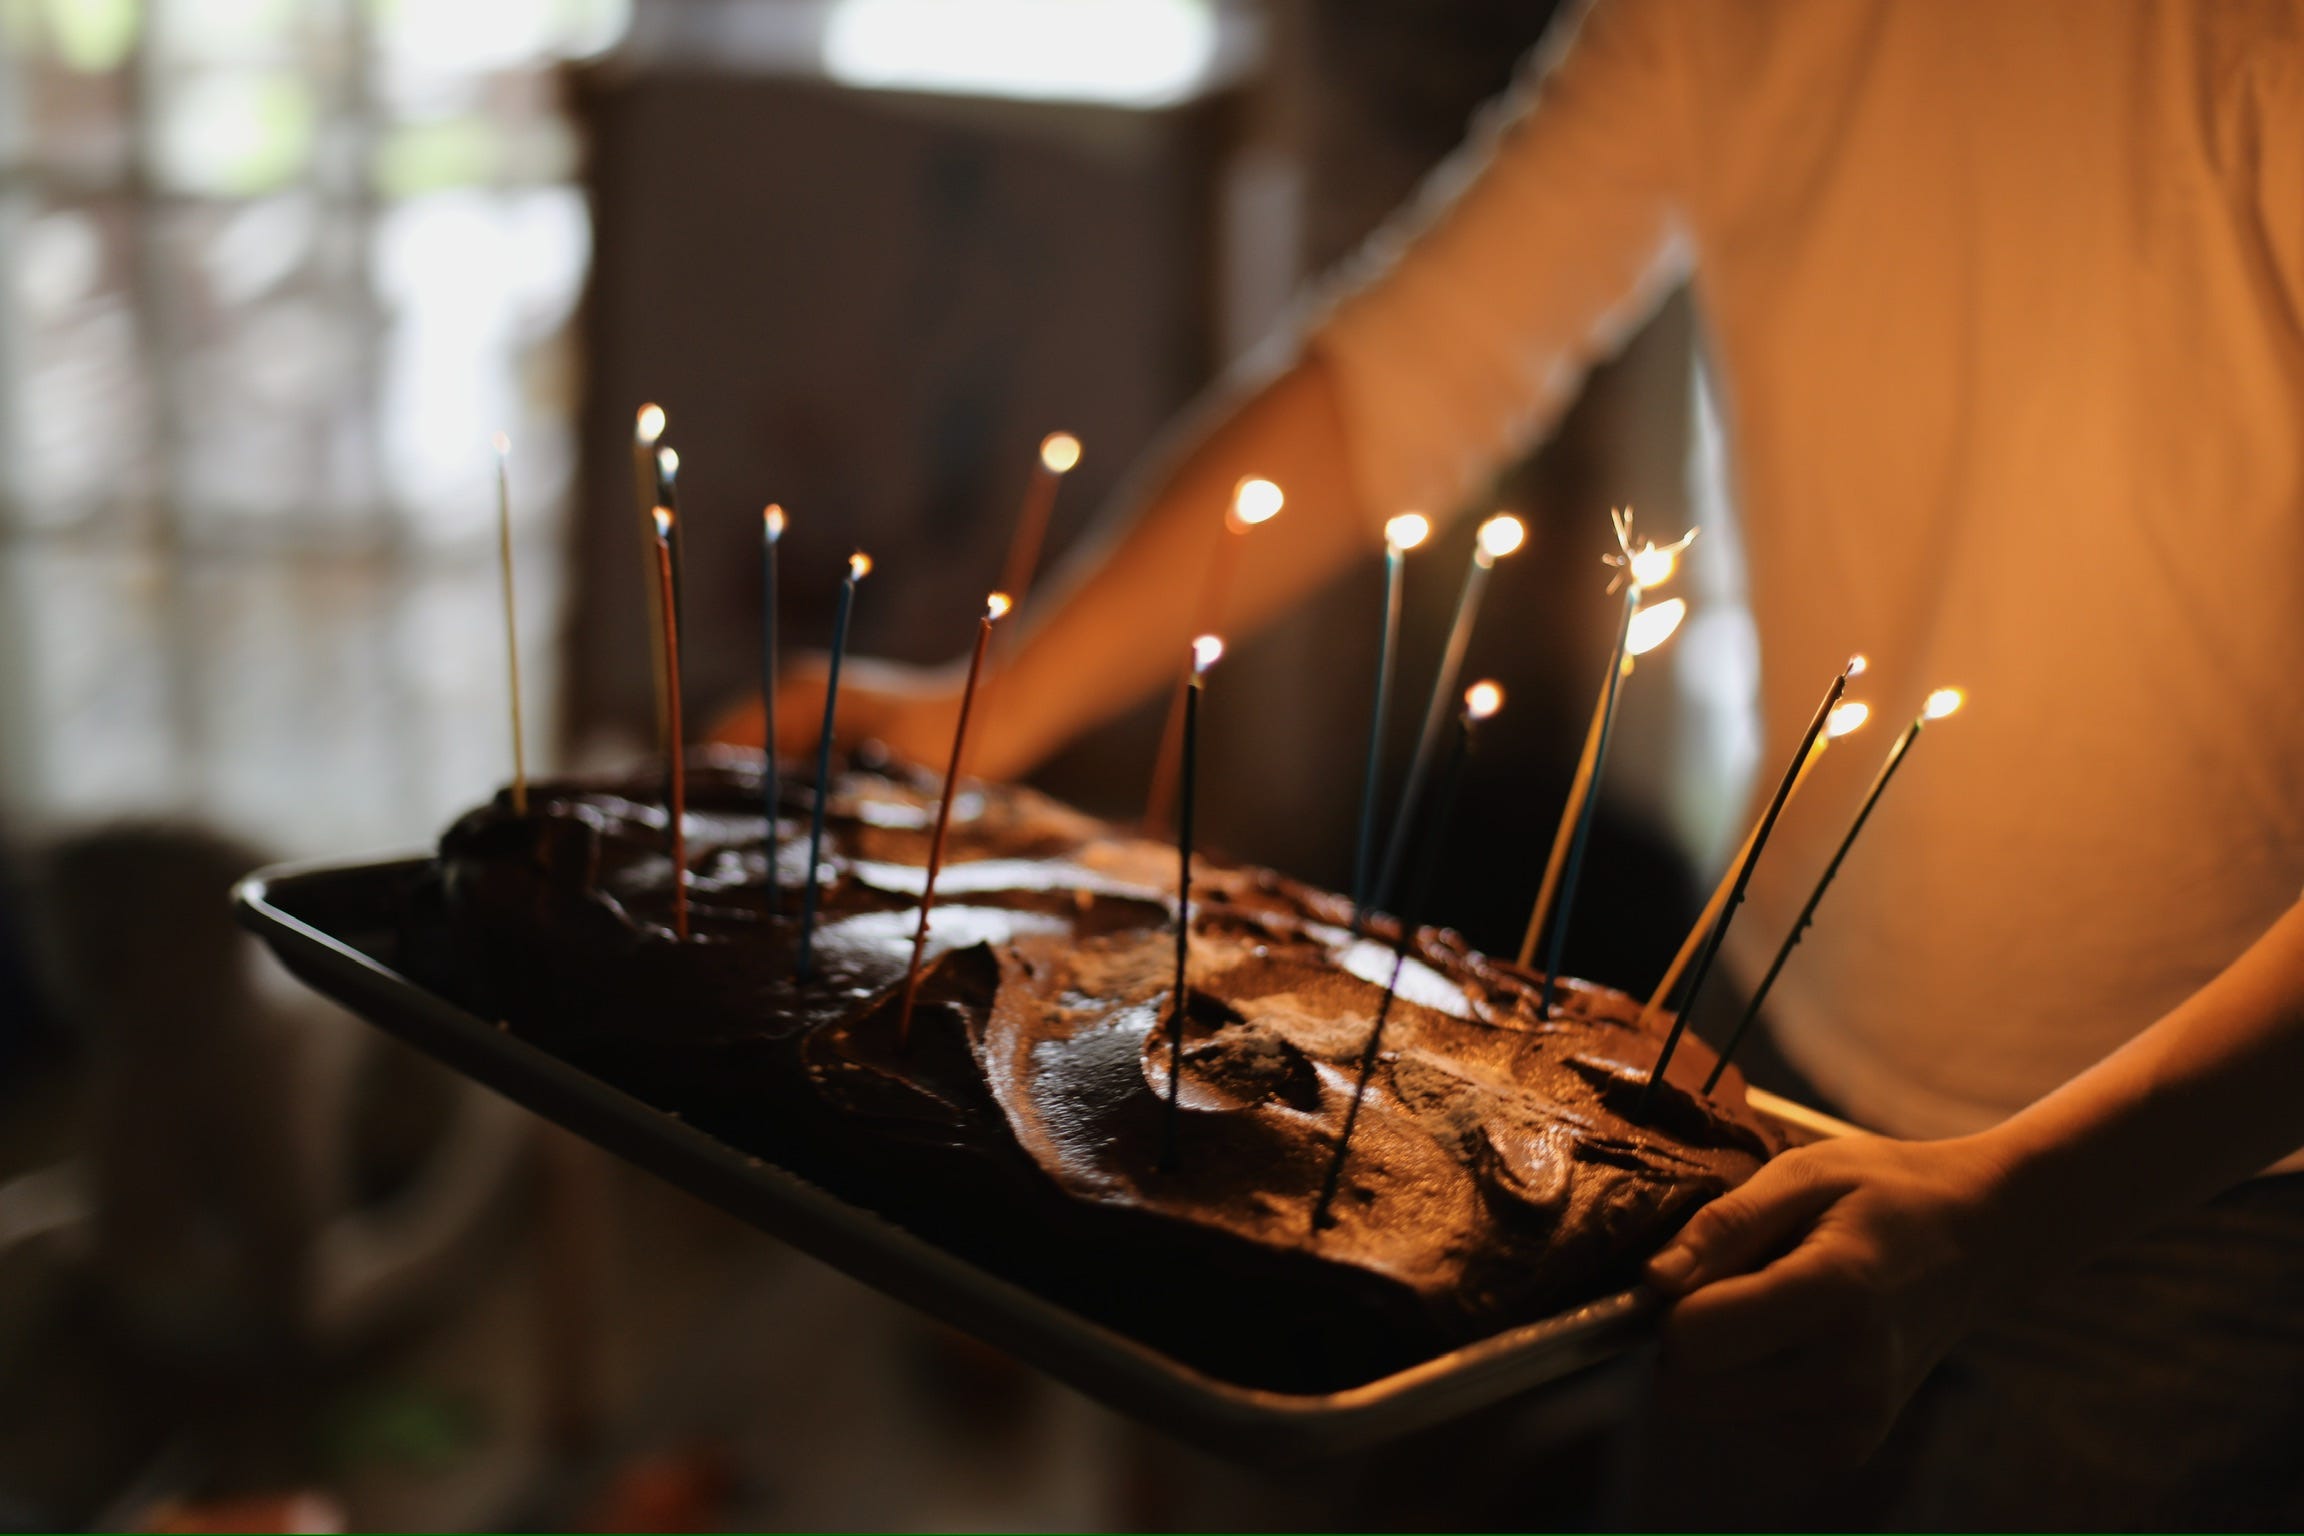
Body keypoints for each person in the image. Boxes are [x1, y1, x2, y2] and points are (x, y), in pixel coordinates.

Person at [734, 0, 2304, 1519]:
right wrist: (986, 708)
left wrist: (2011, 1213)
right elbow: (1416, 359)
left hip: (2217, 1189)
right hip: (1768, 1072)